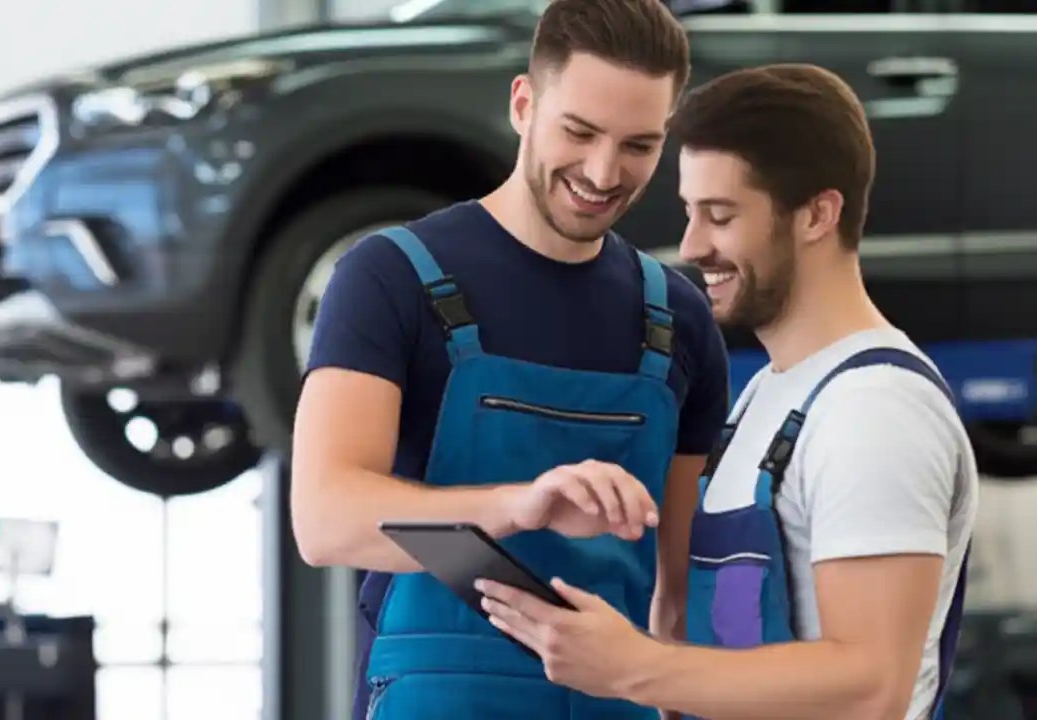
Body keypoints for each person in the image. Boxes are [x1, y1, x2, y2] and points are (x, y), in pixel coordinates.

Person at [477, 63, 979, 720]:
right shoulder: (766, 399)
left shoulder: (874, 412)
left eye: (720, 216)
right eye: (691, 213)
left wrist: (636, 666)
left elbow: (868, 686)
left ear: (817, 215)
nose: (691, 245)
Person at [289, 1, 732, 718]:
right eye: (580, 132)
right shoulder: (389, 279)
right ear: (524, 103)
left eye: (637, 146)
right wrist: (519, 507)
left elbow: (677, 597)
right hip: (442, 694)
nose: (602, 171)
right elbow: (325, 520)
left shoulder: (680, 323)